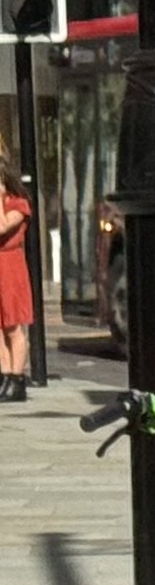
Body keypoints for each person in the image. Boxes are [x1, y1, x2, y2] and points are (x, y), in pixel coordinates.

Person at [0, 158, 32, 402]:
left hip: (10, 265)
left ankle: (17, 378)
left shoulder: (18, 206)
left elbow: (1, 228)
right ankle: (4, 374)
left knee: (13, 326)